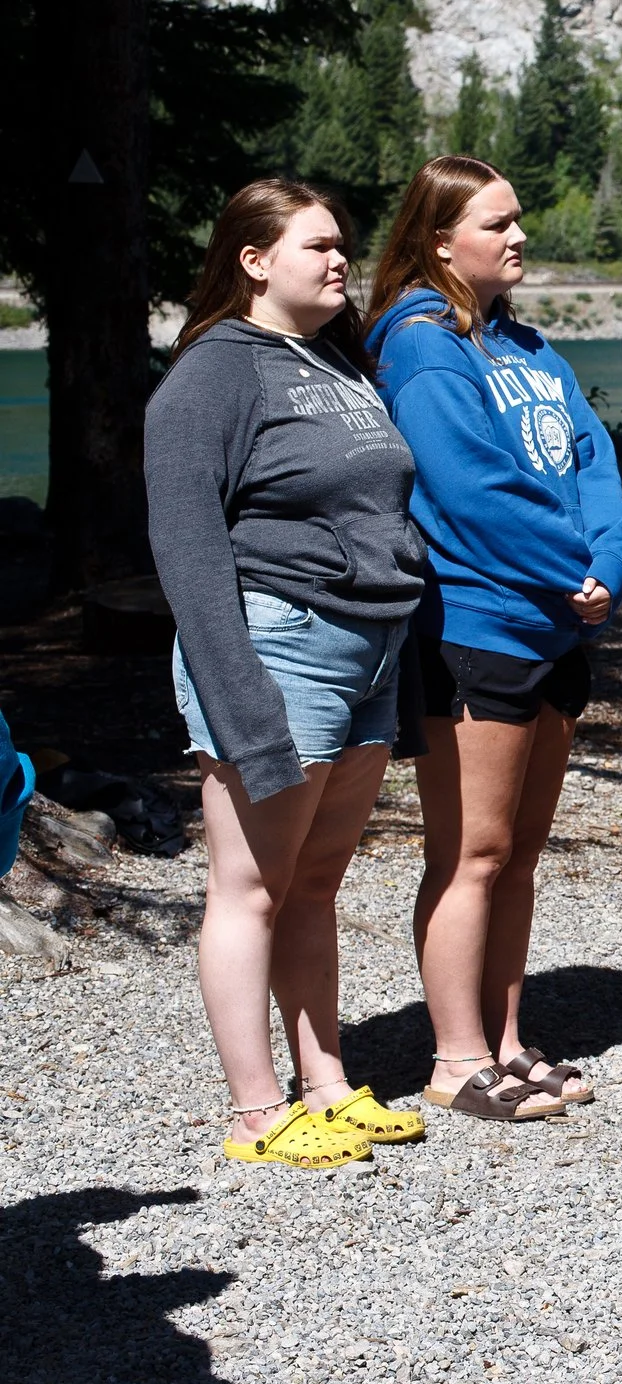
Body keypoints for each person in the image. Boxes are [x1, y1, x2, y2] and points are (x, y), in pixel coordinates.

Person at [145, 179, 433, 1167]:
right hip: (281, 649)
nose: (341, 257)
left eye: (342, 243)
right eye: (317, 244)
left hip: (370, 650)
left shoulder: (334, 360)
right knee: (250, 887)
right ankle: (257, 1113)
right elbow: (188, 549)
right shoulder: (213, 374)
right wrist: (242, 701)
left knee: (312, 882)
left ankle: (328, 1086)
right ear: (254, 260)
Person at [367, 155, 622, 1119]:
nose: (519, 235)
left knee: (520, 853)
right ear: (441, 241)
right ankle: (456, 1058)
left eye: (518, 218)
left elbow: (595, 463)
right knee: (471, 851)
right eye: (497, 223)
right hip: (478, 626)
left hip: (558, 625)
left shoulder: (528, 345)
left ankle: (510, 1038)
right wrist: (575, 564)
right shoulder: (421, 346)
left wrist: (612, 560)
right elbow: (470, 488)